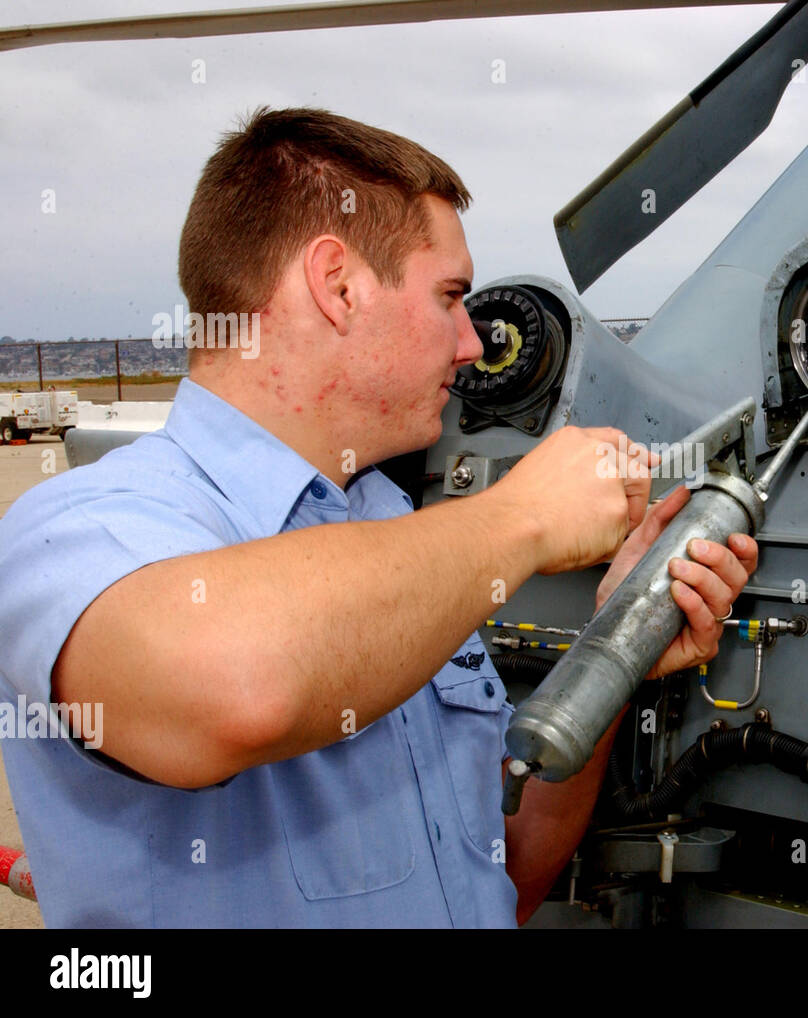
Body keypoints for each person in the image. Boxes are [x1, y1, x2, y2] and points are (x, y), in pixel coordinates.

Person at [0, 107, 757, 928]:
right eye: (450, 297)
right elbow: (233, 687)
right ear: (339, 287)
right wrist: (525, 517)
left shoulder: (391, 526)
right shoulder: (77, 526)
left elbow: (508, 871)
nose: (471, 343)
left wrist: (616, 642)